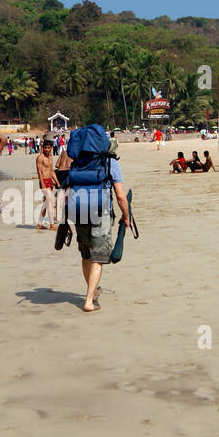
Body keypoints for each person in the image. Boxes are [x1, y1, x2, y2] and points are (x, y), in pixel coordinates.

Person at [66, 125, 130, 312]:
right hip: (100, 213)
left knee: (86, 254)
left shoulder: (76, 164)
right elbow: (120, 195)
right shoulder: (110, 164)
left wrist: (64, 221)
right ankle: (88, 300)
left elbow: (66, 191)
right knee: (98, 257)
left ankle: (92, 292)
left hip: (78, 213)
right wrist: (126, 216)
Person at [35, 139, 57, 230]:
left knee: (46, 203)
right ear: (43, 148)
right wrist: (42, 184)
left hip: (50, 181)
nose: (47, 149)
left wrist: (57, 181)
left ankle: (39, 224)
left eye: (49, 148)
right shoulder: (40, 157)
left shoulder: (50, 158)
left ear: (51, 148)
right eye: (45, 148)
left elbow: (51, 171)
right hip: (43, 181)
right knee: (50, 202)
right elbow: (39, 172)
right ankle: (52, 225)